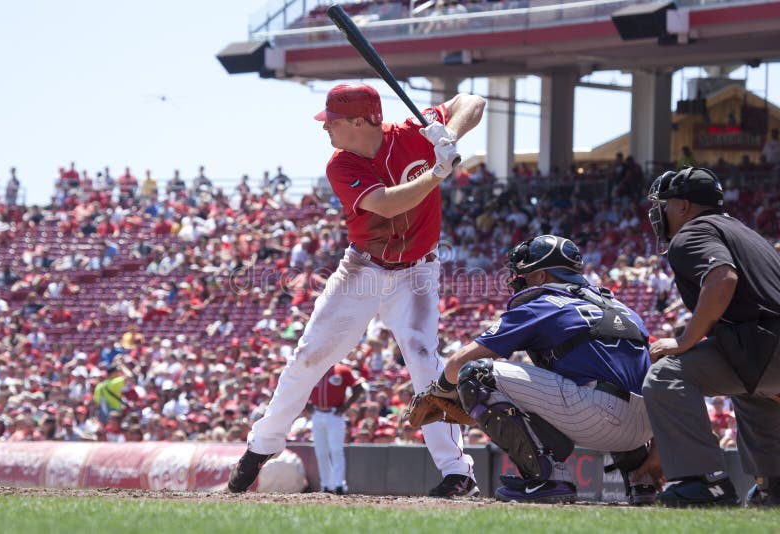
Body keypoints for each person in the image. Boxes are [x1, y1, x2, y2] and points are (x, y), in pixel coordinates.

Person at [228, 82, 485, 497]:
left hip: (417, 272)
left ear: (361, 121)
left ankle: (458, 473)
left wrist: (448, 133)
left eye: (332, 120)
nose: (324, 127)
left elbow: (472, 101)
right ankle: (262, 446)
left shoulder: (413, 132)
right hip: (363, 268)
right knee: (309, 355)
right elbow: (386, 204)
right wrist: (439, 170)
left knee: (423, 359)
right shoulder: (340, 165)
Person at [436, 235, 657, 504]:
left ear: (541, 276)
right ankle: (642, 482)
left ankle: (546, 479)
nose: (516, 279)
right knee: (612, 379)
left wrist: (441, 390)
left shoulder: (543, 302)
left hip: (598, 417)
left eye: (522, 274)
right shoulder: (621, 306)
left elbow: (456, 364)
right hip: (646, 427)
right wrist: (659, 442)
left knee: (476, 375)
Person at [642, 166, 780, 507]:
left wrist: (686, 340)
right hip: (763, 350)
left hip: (764, 347)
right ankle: (774, 486)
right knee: (749, 388)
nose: (661, 212)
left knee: (665, 376)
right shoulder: (747, 234)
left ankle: (704, 482)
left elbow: (722, 278)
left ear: (684, 206)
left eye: (666, 204)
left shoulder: (691, 233)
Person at [309, 363, 367, 495]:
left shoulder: (342, 370)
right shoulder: (314, 368)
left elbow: (358, 388)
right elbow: (302, 388)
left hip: (335, 414)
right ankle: (326, 485)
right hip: (317, 413)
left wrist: (345, 406)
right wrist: (307, 406)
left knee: (336, 450)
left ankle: (339, 484)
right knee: (321, 451)